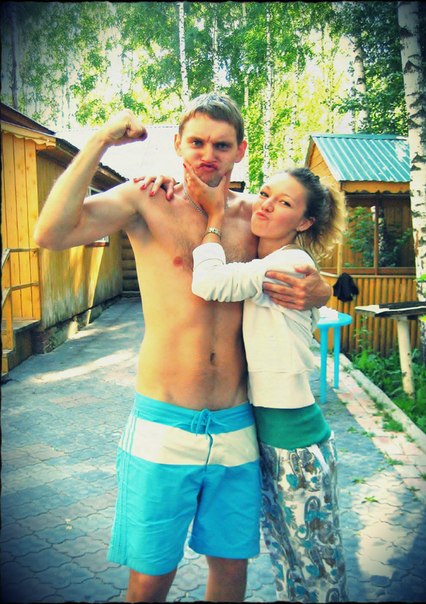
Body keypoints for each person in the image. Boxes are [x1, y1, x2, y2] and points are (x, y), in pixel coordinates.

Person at [33, 93, 332, 603]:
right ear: (177, 144)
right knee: (150, 579)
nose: (207, 154)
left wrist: (322, 290)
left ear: (240, 150)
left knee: (231, 570)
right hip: (163, 425)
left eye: (221, 145)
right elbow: (51, 233)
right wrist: (101, 140)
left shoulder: (254, 219)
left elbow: (301, 262)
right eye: (196, 142)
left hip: (236, 424)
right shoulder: (145, 199)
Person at [183, 161, 349, 602]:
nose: (267, 205)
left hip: (296, 443)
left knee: (316, 569)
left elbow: (208, 282)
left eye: (285, 203)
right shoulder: (270, 263)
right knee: (289, 562)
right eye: (265, 193)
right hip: (275, 438)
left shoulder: (289, 262)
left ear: (304, 222)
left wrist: (214, 220)